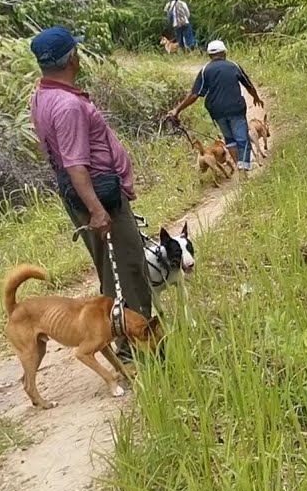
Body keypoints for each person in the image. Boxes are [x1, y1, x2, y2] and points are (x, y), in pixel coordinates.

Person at [29, 26, 152, 362]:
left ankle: (123, 341)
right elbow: (74, 163)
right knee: (127, 266)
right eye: (76, 52)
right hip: (99, 197)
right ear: (72, 58)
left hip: (84, 195)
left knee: (111, 269)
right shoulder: (67, 105)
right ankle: (137, 346)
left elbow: (50, 153)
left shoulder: (41, 97)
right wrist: (97, 210)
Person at [165, 40, 264, 172]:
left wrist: (177, 110)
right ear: (224, 53)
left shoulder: (205, 70)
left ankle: (239, 168)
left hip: (217, 112)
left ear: (209, 55)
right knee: (242, 138)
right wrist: (256, 97)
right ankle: (244, 169)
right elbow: (249, 85)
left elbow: (194, 95)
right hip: (236, 108)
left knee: (230, 140)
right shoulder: (234, 66)